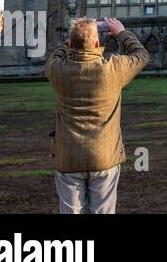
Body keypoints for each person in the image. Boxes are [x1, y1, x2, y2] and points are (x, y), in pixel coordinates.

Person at [44, 16, 150, 214]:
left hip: (68, 157)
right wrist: (121, 33)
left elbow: (54, 57)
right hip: (104, 156)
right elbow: (141, 55)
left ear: (71, 43)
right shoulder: (113, 68)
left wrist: (75, 37)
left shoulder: (58, 70)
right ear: (96, 42)